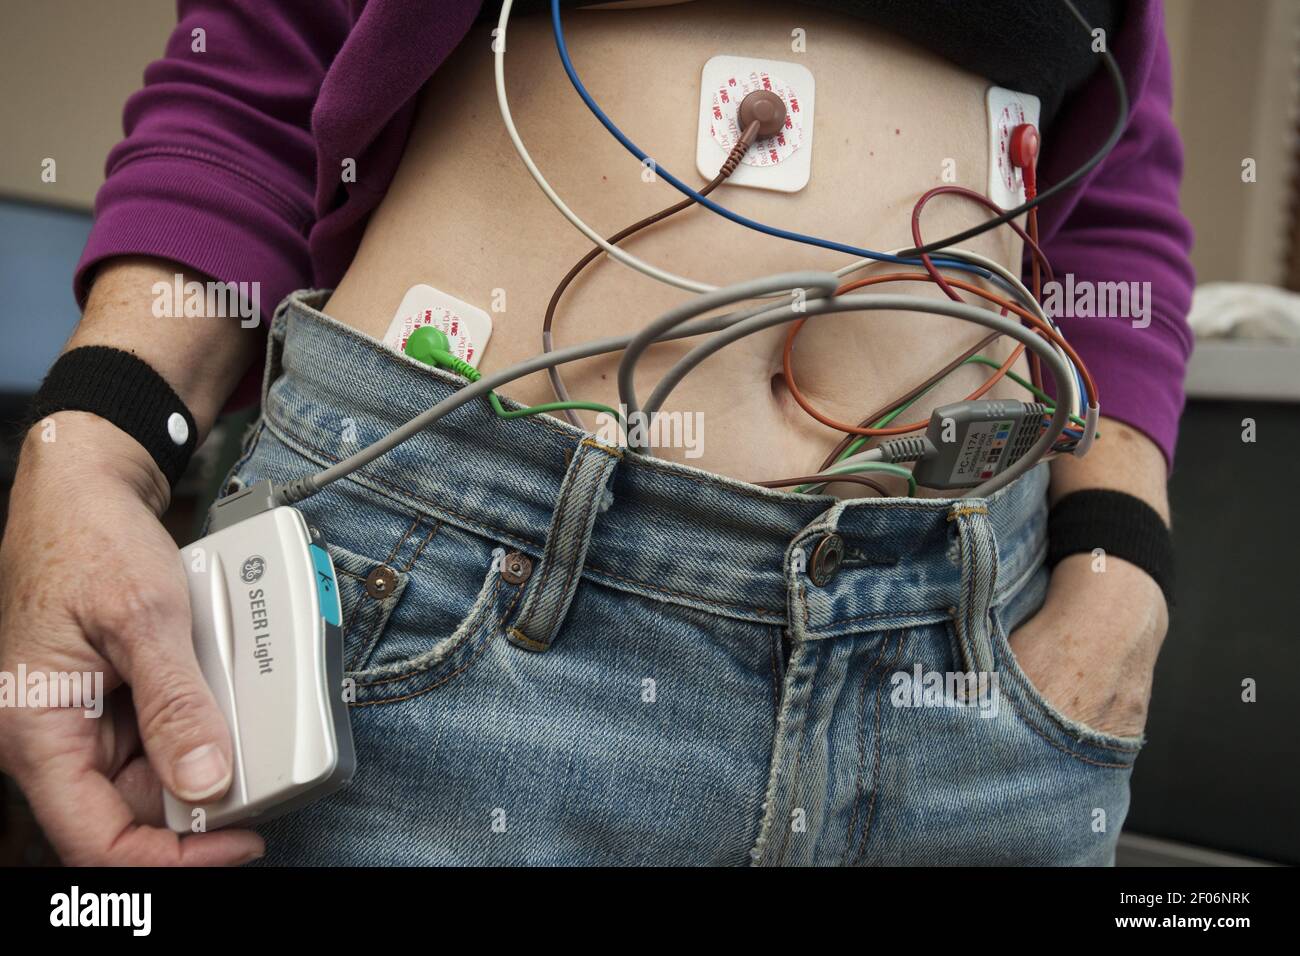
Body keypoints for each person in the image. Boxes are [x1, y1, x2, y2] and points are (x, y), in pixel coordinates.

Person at [0, 0, 1191, 865]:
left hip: (969, 659)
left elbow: (1118, 193)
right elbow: (253, 83)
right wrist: (94, 441)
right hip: (460, 600)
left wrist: (1117, 566)